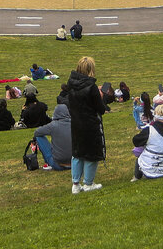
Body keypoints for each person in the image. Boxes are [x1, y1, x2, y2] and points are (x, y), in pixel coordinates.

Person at [67, 56, 108, 194]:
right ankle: (88, 183)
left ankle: (75, 183)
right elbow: (100, 109)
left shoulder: (70, 83)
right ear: (91, 70)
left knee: (77, 152)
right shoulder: (91, 87)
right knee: (91, 153)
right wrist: (101, 97)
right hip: (90, 123)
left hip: (76, 122)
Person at [33, 101, 72, 171]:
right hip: (75, 164)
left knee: (39, 137)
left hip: (58, 165)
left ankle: (48, 163)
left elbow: (37, 132)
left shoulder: (53, 125)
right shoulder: (75, 124)